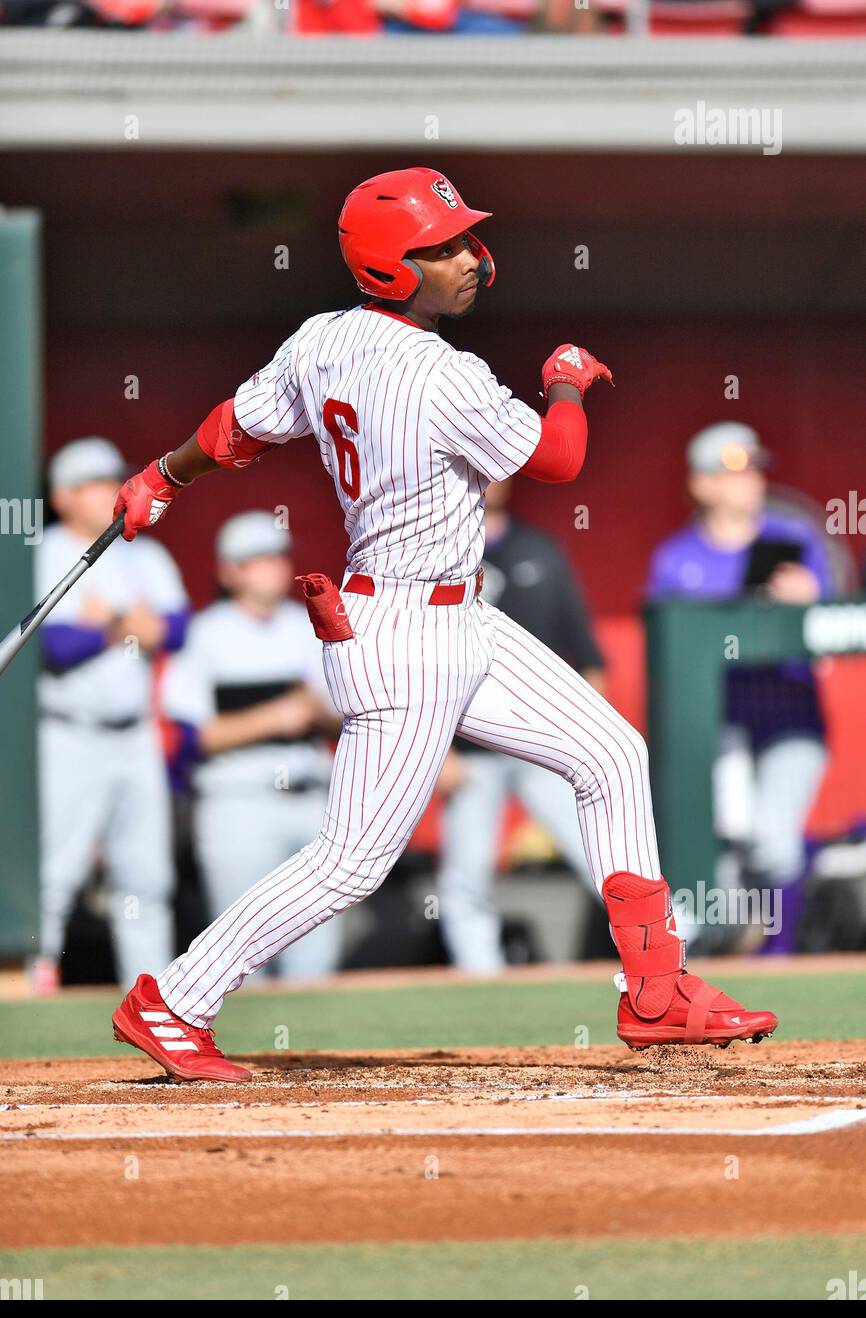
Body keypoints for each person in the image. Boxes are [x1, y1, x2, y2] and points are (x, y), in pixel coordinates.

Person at [109, 167, 777, 1080]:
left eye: (464, 239)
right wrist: (567, 380)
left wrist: (162, 475)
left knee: (612, 754)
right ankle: (176, 999)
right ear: (390, 268)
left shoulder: (320, 340)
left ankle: (656, 990)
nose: (469, 257)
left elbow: (237, 429)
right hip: (400, 636)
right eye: (443, 247)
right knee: (352, 863)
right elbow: (558, 459)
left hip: (459, 616)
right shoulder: (440, 373)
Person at [647, 421, 832, 953]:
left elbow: (837, 626)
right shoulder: (677, 558)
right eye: (732, 470)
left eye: (753, 468)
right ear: (702, 483)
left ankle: (783, 953)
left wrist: (811, 600)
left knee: (773, 841)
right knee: (719, 851)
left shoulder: (794, 543)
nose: (747, 480)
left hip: (788, 714)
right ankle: (728, 955)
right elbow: (668, 649)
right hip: (716, 726)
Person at [33, 438, 189, 994]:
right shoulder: (43, 550)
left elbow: (175, 629)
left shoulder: (142, 552)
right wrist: (123, 624)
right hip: (68, 733)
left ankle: (149, 995)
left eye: (111, 480)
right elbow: (53, 647)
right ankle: (34, 986)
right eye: (94, 483)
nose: (108, 491)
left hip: (134, 734)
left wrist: (109, 622)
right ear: (63, 496)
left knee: (145, 876)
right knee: (54, 872)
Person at [161, 511, 344, 980]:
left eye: (278, 557)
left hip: (309, 796)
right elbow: (190, 736)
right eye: (258, 559)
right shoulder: (206, 632)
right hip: (238, 800)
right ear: (230, 570)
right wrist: (276, 716)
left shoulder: (306, 626)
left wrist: (312, 712)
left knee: (316, 959)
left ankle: (308, 1054)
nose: (274, 567)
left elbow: (343, 715)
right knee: (242, 954)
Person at [436, 476, 605, 970]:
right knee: (465, 873)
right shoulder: (429, 551)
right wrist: (436, 748)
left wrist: (588, 737)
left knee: (597, 848)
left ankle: (674, 941)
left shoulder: (540, 551)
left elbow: (589, 656)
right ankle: (483, 982)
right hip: (467, 751)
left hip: (539, 741)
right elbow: (415, 660)